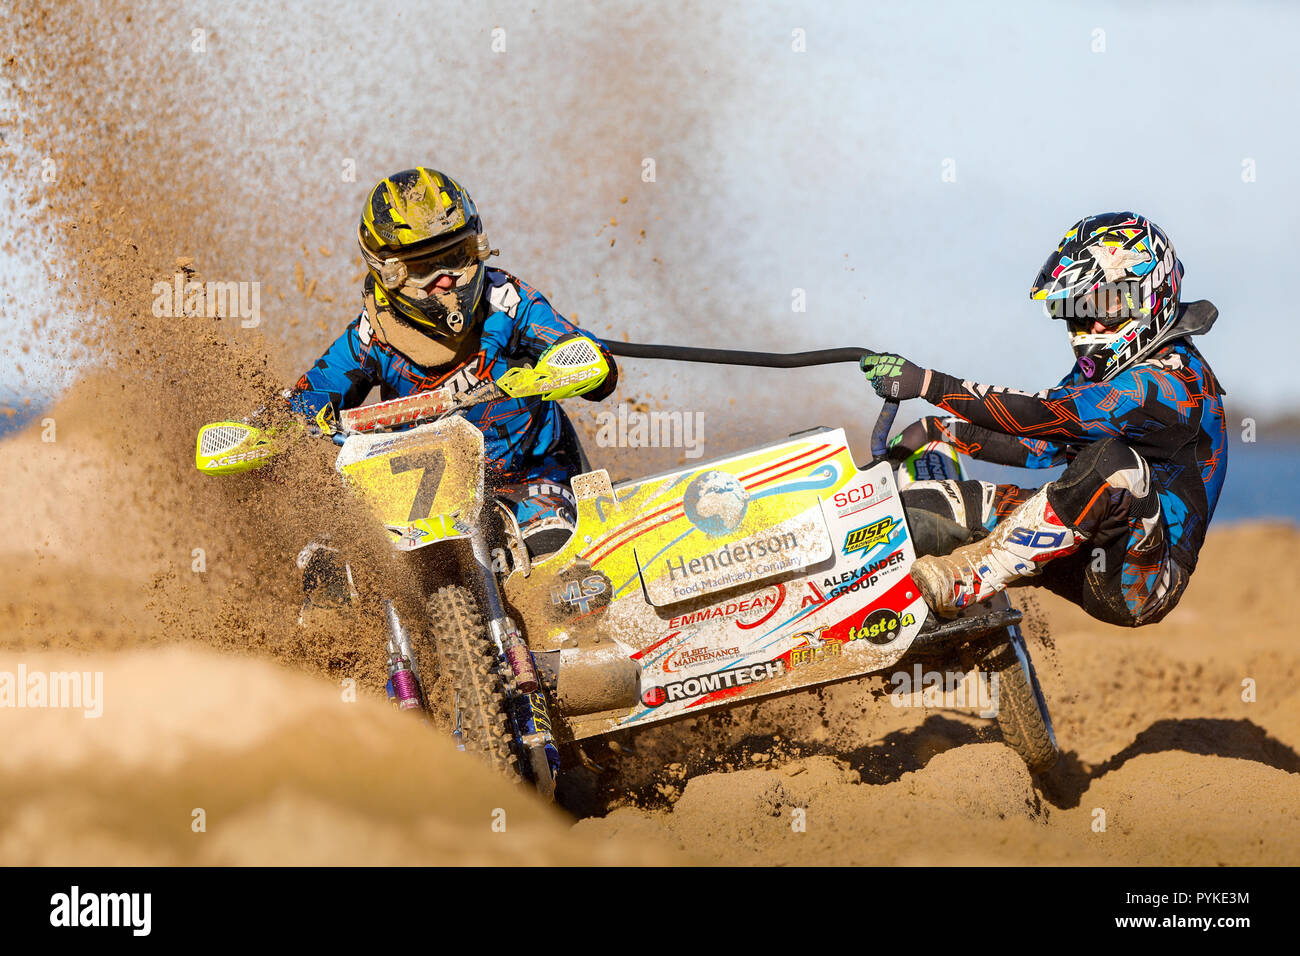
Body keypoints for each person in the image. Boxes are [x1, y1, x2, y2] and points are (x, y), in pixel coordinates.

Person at [861, 212, 1226, 627]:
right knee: (911, 514)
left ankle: (971, 578)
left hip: (1141, 580)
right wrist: (937, 429)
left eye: (1102, 305)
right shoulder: (1112, 372)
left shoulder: (1171, 383)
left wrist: (928, 383)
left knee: (1114, 463)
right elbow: (1040, 446)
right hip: (1077, 545)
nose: (1088, 324)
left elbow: (1047, 414)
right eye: (1077, 308)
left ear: (1150, 295)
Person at [290, 168, 617, 604]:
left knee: (555, 550)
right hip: (422, 505)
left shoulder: (507, 300)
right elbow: (312, 392)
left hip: (528, 477)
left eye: (457, 255)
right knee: (329, 565)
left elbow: (574, 347)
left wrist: (576, 361)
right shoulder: (373, 335)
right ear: (390, 272)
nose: (446, 278)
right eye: (425, 267)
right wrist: (284, 421)